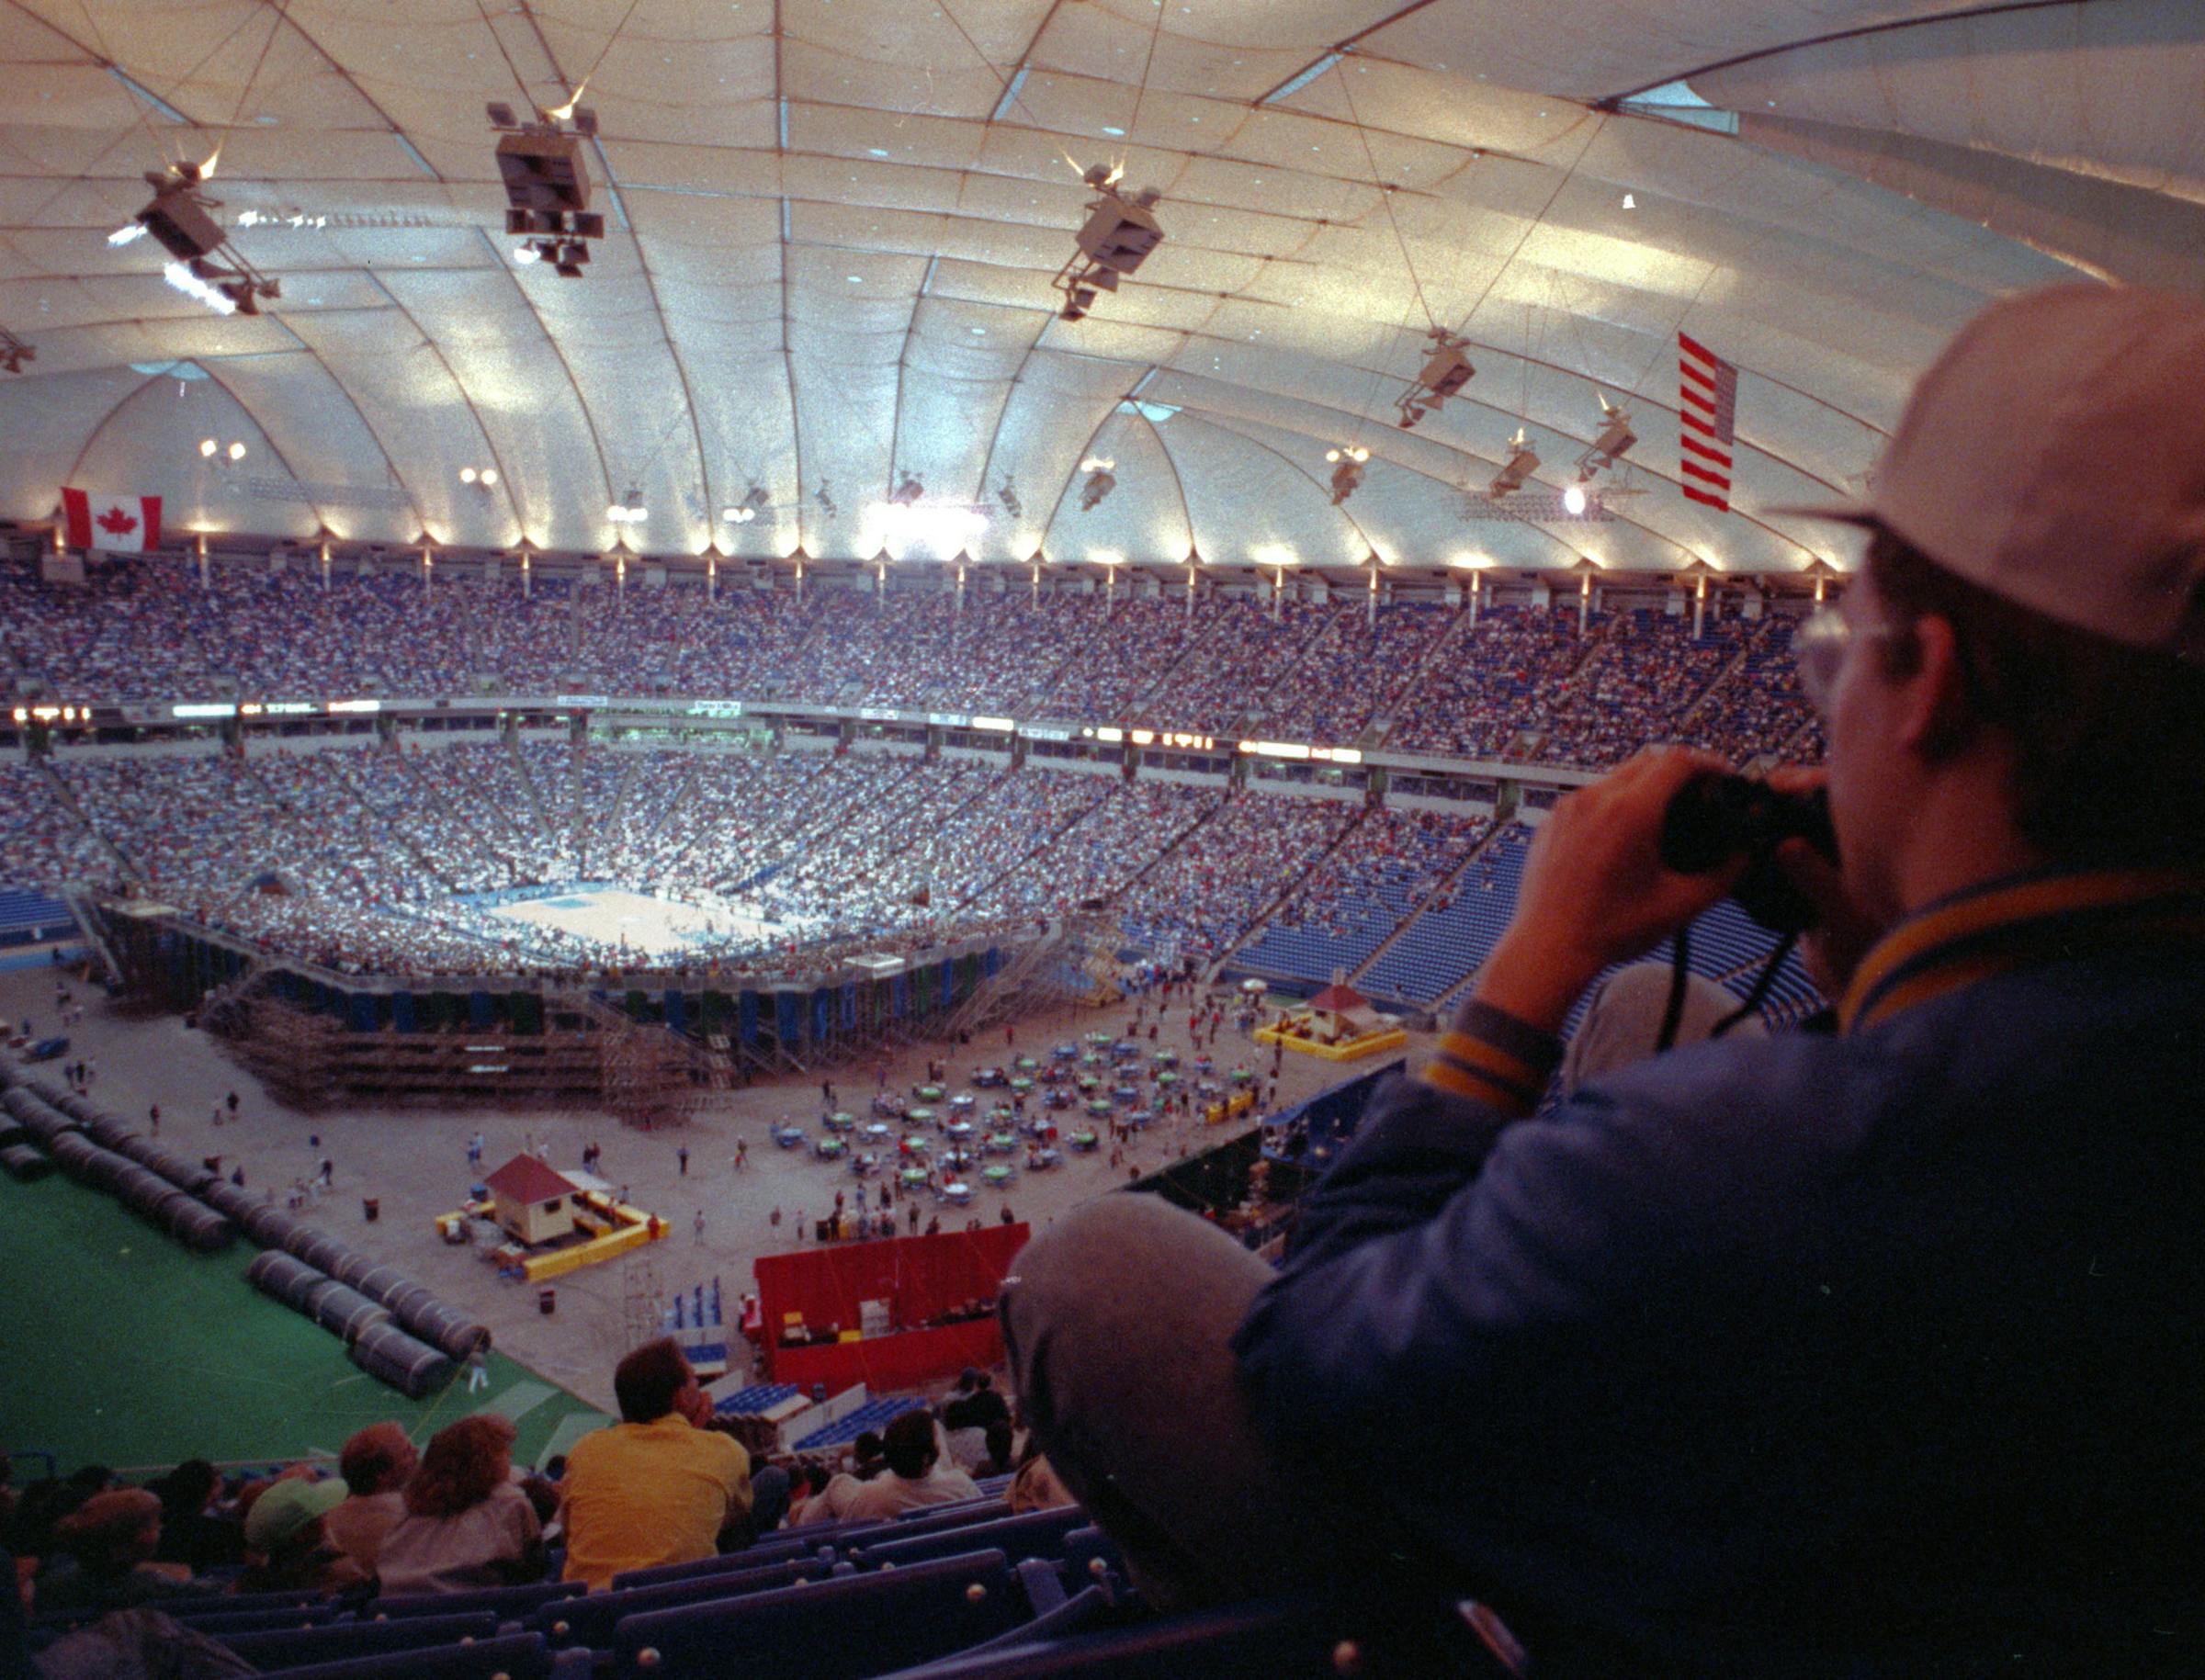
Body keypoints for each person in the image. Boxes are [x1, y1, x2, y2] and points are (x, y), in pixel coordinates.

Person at [1001, 285, 2205, 1673]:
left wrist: (1531, 968)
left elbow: (1315, 1353)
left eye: (1835, 660)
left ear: (1925, 684)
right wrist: (1878, 969)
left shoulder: (1740, 1155)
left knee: (1095, 1267)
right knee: (1648, 1012)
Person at [559, 1338, 752, 1592]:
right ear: (681, 1398)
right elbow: (736, 1511)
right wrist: (695, 1434)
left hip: (591, 1606)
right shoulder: (723, 1450)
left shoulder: (585, 1450)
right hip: (682, 1601)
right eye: (694, 1379)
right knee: (772, 1480)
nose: (699, 1385)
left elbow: (569, 1531)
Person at [375, 1415, 543, 1595]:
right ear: (489, 1460)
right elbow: (536, 1568)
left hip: (398, 1607)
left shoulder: (406, 1513)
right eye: (503, 1450)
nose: (509, 1454)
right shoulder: (511, 1503)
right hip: (479, 1608)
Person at [31, 1490, 212, 1616]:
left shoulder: (51, 1582)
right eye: (153, 1524)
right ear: (137, 1539)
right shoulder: (155, 1586)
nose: (160, 1527)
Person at [838, 1411, 981, 1521]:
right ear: (926, 1458)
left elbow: (846, 1530)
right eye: (936, 1438)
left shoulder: (869, 1496)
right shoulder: (961, 1485)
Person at [234, 1475, 365, 1596]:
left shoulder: (247, 1585)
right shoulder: (344, 1575)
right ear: (306, 1533)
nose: (325, 1519)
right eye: (320, 1516)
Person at [322, 1424, 415, 1576]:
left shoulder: (330, 1520)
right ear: (382, 1476)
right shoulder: (410, 1518)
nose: (416, 1451)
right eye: (407, 1452)